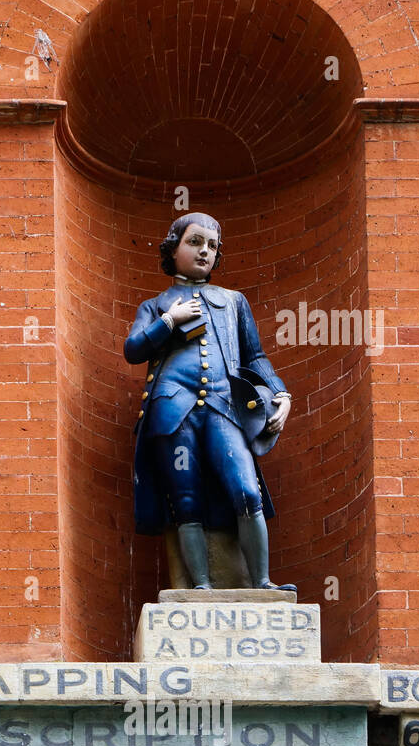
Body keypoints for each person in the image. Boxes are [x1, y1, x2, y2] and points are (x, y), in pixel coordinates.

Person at [124, 212, 294, 591]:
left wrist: (281, 393)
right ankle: (199, 587)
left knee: (246, 489)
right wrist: (169, 320)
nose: (204, 251)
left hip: (223, 407)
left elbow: (256, 357)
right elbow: (133, 349)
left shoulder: (233, 301)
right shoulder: (157, 304)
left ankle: (262, 583)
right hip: (172, 410)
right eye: (195, 242)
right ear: (174, 247)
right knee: (185, 500)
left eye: (212, 246)